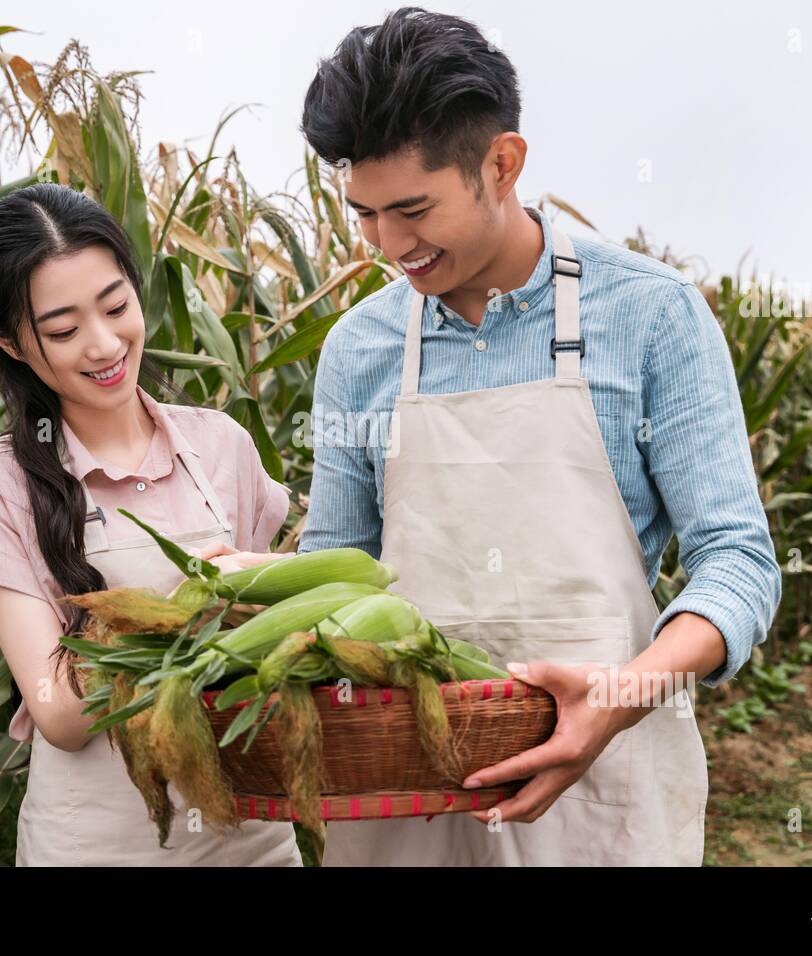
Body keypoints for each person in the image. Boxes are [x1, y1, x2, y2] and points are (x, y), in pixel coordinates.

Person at [298, 7, 782, 865]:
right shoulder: (358, 350)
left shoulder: (650, 316)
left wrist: (623, 694)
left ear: (502, 161)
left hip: (608, 783)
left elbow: (739, 562)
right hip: (407, 794)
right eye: (365, 214)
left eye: (412, 209)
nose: (388, 246)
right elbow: (338, 564)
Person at [0, 182, 300, 866]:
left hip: (253, 838)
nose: (105, 344)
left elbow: (264, 651)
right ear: (6, 340)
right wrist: (201, 600)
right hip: (100, 847)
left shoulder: (221, 445)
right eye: (63, 329)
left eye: (116, 307)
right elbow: (59, 712)